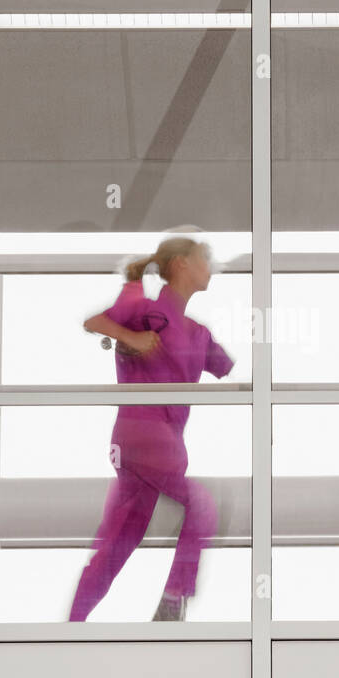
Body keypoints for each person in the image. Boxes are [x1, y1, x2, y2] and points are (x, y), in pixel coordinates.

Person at [68, 233, 234, 622]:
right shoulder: (143, 309)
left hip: (143, 446)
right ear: (181, 265)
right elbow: (95, 322)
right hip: (147, 436)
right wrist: (132, 338)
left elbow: (229, 369)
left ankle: (72, 625)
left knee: (119, 542)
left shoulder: (199, 333)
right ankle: (173, 601)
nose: (211, 267)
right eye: (204, 258)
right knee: (203, 505)